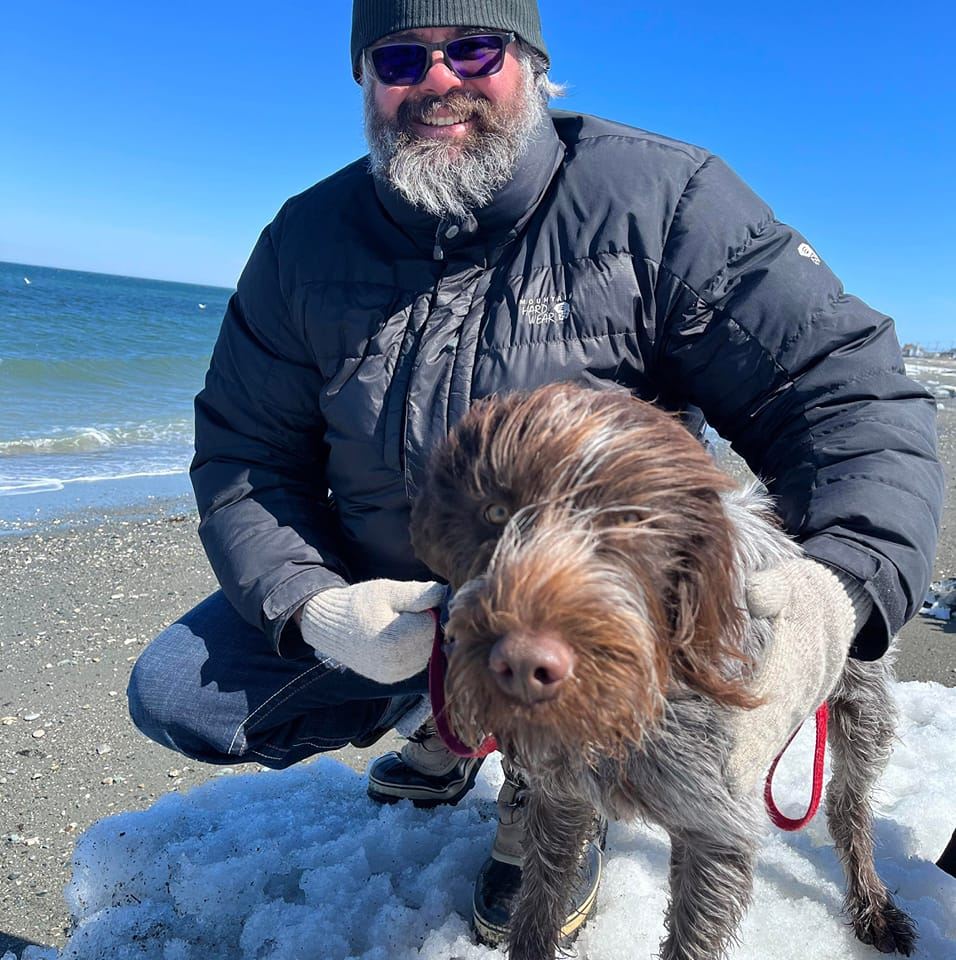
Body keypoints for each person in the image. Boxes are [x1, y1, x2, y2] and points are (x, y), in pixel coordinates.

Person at [127, 0, 945, 943]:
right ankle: (451, 724)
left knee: (625, 719)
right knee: (182, 690)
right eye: (400, 58)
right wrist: (312, 605)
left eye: (474, 48)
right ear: (363, 80)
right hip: (401, 601)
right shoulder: (302, 242)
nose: (438, 82)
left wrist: (845, 585)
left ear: (535, 65)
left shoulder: (666, 202)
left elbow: (843, 392)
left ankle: (550, 779)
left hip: (608, 607)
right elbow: (242, 456)